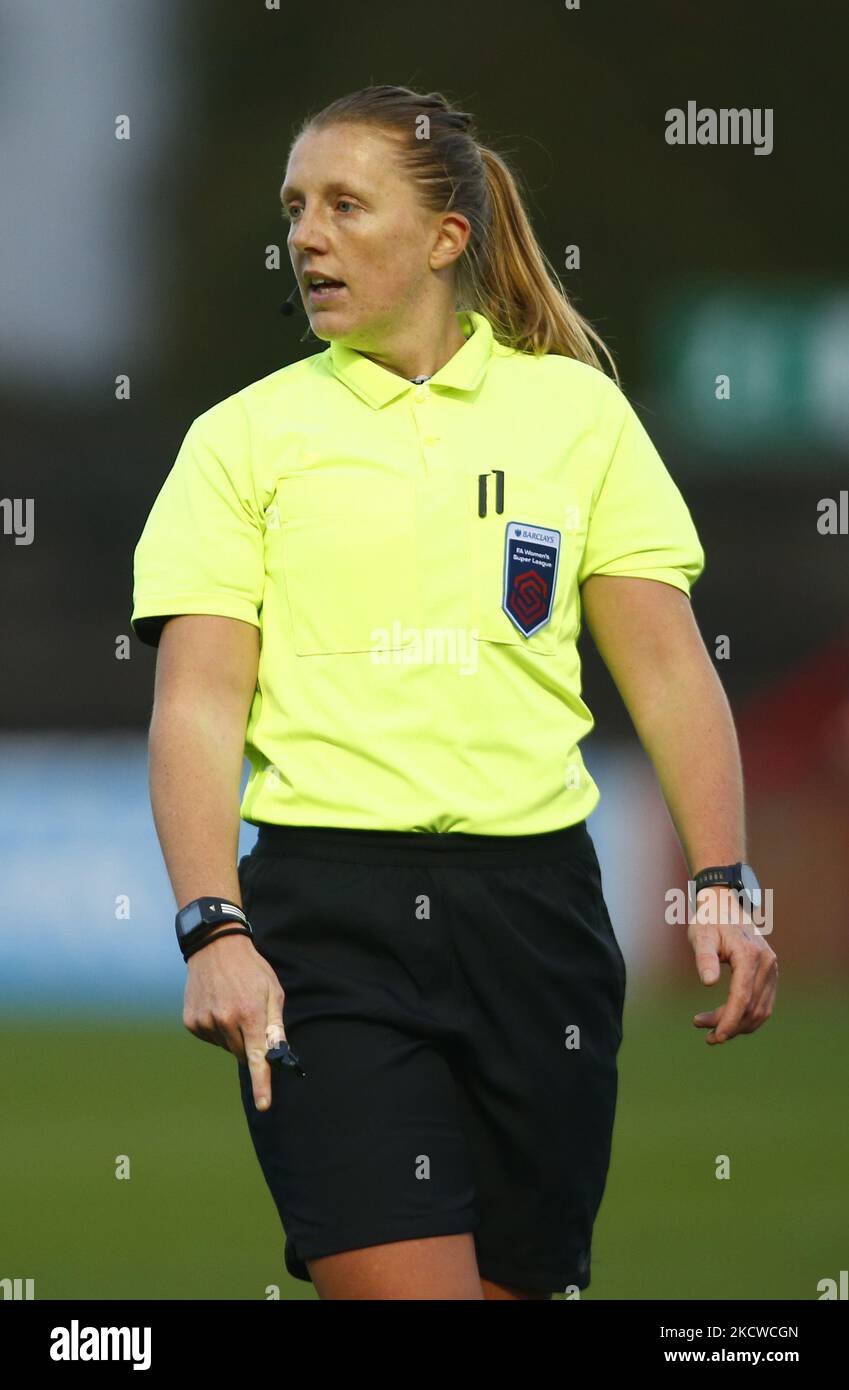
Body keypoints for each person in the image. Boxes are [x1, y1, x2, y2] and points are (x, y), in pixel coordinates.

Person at [131, 84, 778, 1301]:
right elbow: (198, 706)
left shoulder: (578, 416)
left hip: (541, 925)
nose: (306, 236)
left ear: (445, 236)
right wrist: (213, 924)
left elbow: (668, 664)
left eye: (342, 205)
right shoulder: (240, 440)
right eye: (294, 210)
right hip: (327, 923)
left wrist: (724, 878)